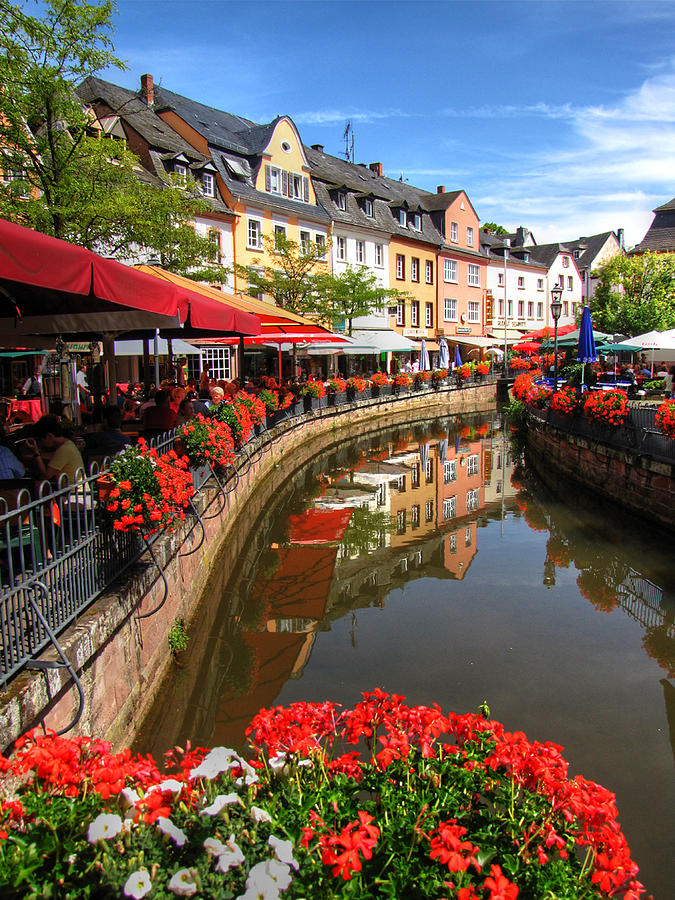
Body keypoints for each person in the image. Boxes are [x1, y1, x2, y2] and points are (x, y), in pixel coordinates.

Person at [26, 415, 84, 484]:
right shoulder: (68, 444)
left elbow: (46, 475)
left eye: (41, 440)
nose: (41, 444)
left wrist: (36, 453)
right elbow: (52, 456)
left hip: (74, 493)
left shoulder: (64, 450)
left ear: (49, 436)